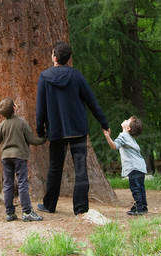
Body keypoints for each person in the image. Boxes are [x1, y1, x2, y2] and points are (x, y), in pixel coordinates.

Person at [36, 40, 109, 217]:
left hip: (57, 131)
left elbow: (41, 108)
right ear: (68, 59)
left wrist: (40, 130)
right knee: (81, 169)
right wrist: (104, 122)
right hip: (77, 130)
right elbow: (91, 101)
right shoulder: (76, 76)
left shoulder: (44, 77)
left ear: (54, 56)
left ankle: (49, 205)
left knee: (55, 169)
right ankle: (81, 209)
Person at [0, 97, 45, 222]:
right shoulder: (21, 122)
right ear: (14, 108)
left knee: (7, 184)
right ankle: (27, 212)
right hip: (19, 157)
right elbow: (32, 139)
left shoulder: (2, 124)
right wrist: (44, 138)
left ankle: (10, 213)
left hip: (6, 157)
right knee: (22, 183)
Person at [103, 116, 148, 215]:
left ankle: (139, 209)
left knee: (135, 188)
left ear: (128, 128)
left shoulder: (123, 136)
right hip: (141, 166)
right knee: (140, 187)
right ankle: (143, 206)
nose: (125, 119)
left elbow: (114, 146)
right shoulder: (131, 138)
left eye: (128, 120)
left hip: (133, 167)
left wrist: (107, 136)